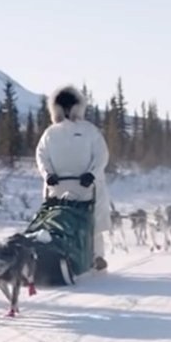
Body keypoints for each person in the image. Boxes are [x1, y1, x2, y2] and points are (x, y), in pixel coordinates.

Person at [34, 85, 112, 271]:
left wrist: (91, 174)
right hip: (58, 188)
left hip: (87, 186)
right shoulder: (51, 133)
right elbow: (41, 155)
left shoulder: (89, 131)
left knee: (90, 222)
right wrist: (48, 174)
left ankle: (97, 257)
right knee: (57, 220)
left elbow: (101, 155)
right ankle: (58, 255)